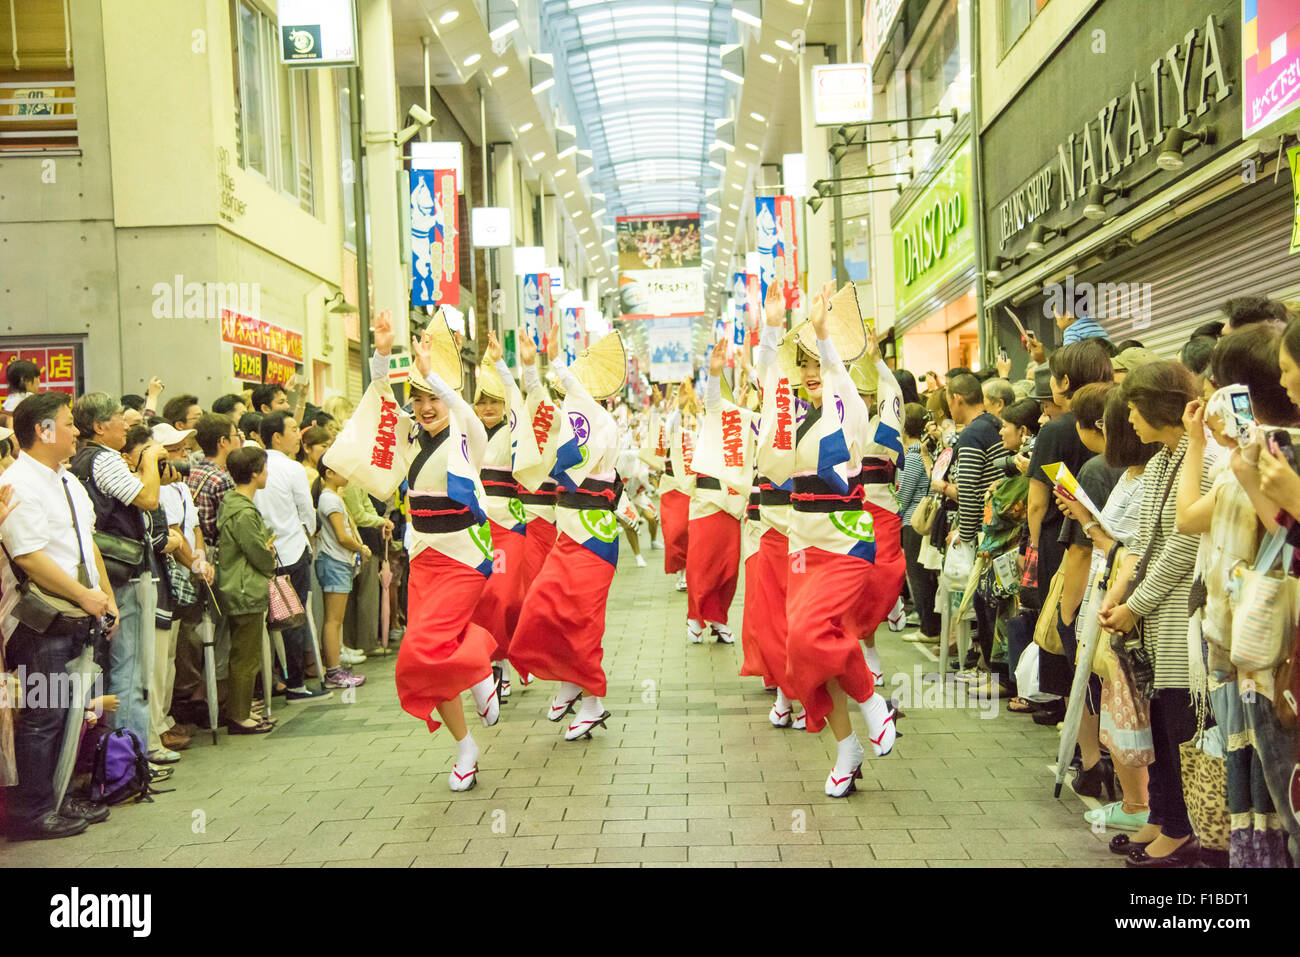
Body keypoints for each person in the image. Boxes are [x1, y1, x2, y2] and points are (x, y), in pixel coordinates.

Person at [327, 311, 499, 791]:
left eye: (432, 399)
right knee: (425, 657)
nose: (424, 408)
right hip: (423, 558)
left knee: (422, 652)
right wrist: (381, 354)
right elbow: (378, 408)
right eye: (418, 400)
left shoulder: (468, 435)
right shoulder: (410, 438)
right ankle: (465, 745)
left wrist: (436, 378)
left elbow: (462, 410)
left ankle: (480, 664)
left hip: (464, 556)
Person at [757, 281, 905, 798]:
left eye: (817, 367)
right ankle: (848, 748)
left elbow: (839, 378)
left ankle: (871, 703)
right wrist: (773, 329)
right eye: (804, 368)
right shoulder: (796, 421)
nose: (811, 376)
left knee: (807, 636)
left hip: (844, 545)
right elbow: (768, 381)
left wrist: (823, 338)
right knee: (805, 660)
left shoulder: (852, 412)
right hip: (802, 546)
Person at [1098, 360, 1217, 867]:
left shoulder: (1202, 460)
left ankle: (1181, 827)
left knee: (1179, 723)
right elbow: (1147, 540)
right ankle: (1164, 815)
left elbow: (1183, 548)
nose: (1128, 419)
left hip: (1178, 618)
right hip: (1153, 614)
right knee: (1161, 722)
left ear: (1157, 407)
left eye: (1133, 408)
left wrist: (1135, 605)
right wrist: (1121, 591)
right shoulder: (1167, 457)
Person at [1, 392, 115, 840]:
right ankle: (30, 812)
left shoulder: (67, 481)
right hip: (38, 621)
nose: (75, 431)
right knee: (43, 715)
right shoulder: (20, 484)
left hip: (77, 611)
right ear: (42, 431)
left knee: (70, 711)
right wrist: (85, 596)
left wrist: (104, 596)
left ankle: (55, 795)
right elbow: (28, 558)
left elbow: (86, 545)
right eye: (68, 423)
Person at [511, 321, 626, 742]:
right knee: (544, 608)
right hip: (569, 534)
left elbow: (566, 389)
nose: (575, 386)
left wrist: (554, 357)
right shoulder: (571, 418)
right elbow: (539, 405)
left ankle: (592, 700)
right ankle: (568, 683)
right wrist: (528, 368)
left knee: (582, 621)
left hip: (595, 538)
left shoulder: (600, 421)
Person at [1059, 388, 1158, 835]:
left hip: (1126, 605)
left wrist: (1090, 525)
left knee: (1131, 708)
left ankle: (1141, 804)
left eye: (1115, 421)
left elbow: (1133, 550)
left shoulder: (1153, 474)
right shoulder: (1130, 473)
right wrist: (1086, 517)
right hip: (1111, 596)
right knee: (1118, 704)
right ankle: (1139, 802)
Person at [68, 393, 164, 768]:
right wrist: (150, 462)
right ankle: (130, 760)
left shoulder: (78, 462)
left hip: (100, 578)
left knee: (112, 669)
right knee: (130, 669)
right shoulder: (104, 460)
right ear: (99, 427)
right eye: (118, 419)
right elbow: (149, 498)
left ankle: (114, 760)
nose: (127, 425)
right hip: (121, 578)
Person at [467, 333, 529, 696]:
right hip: (476, 529)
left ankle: (508, 658)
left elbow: (521, 406)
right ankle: (493, 664)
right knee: (482, 598)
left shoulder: (514, 432)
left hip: (509, 526)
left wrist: (502, 365)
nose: (487, 408)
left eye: (493, 401)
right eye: (481, 402)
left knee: (506, 598)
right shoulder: (468, 434)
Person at [254, 410, 328, 701]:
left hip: (264, 555)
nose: (299, 435)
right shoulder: (293, 468)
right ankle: (295, 682)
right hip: (293, 552)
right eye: (294, 429)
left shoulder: (254, 465)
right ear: (277, 437)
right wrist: (310, 534)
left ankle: (276, 681)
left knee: (269, 624)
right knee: (293, 619)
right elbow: (307, 510)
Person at [943, 373, 1007, 688]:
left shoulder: (971, 437)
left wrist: (965, 535)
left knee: (984, 603)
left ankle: (989, 671)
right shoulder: (995, 426)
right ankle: (990, 668)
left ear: (956, 398)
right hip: (1005, 527)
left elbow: (968, 491)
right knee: (996, 604)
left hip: (987, 532)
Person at [684, 339, 748, 645]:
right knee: (700, 564)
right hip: (705, 503)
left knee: (727, 567)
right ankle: (696, 615)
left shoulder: (741, 424)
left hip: (731, 503)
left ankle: (719, 618)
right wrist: (713, 374)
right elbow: (712, 400)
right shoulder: (706, 420)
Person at [216, 446, 277, 734]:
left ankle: (240, 708)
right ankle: (239, 715)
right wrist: (270, 558)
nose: (267, 473)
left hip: (238, 585)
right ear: (254, 473)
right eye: (264, 468)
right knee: (246, 656)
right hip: (245, 588)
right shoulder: (243, 511)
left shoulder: (234, 504)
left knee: (244, 653)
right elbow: (257, 550)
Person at [312, 463, 368, 689]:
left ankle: (335, 669)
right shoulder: (330, 499)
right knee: (333, 621)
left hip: (336, 562)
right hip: (334, 561)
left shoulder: (332, 497)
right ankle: (333, 672)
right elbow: (342, 536)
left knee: (335, 620)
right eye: (341, 468)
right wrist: (361, 548)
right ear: (329, 473)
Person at [897, 402, 939, 641]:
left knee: (917, 574)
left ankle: (929, 627)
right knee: (922, 573)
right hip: (919, 518)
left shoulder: (912, 456)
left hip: (914, 519)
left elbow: (906, 492)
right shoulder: (922, 451)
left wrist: (895, 509)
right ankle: (930, 624)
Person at [1, 359, 41, 427]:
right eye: (37, 378)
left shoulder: (7, 403)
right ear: (25, 380)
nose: (39, 382)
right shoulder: (33, 401)